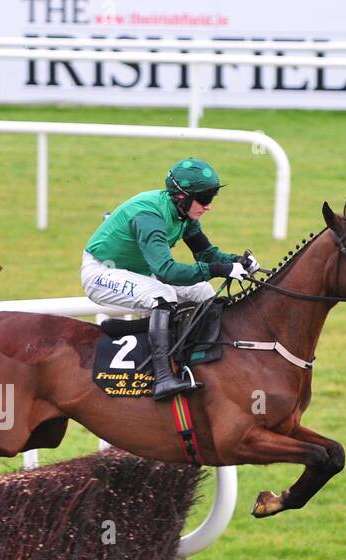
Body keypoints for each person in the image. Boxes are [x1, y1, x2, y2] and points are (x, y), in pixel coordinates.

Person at [81, 157, 259, 399]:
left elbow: (206, 253)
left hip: (138, 270)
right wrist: (219, 269)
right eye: (204, 199)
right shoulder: (149, 217)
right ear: (182, 196)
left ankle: (198, 361)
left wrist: (237, 261)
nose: (209, 206)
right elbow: (166, 270)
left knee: (203, 292)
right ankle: (163, 378)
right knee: (163, 295)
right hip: (101, 272)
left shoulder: (183, 214)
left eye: (211, 198)